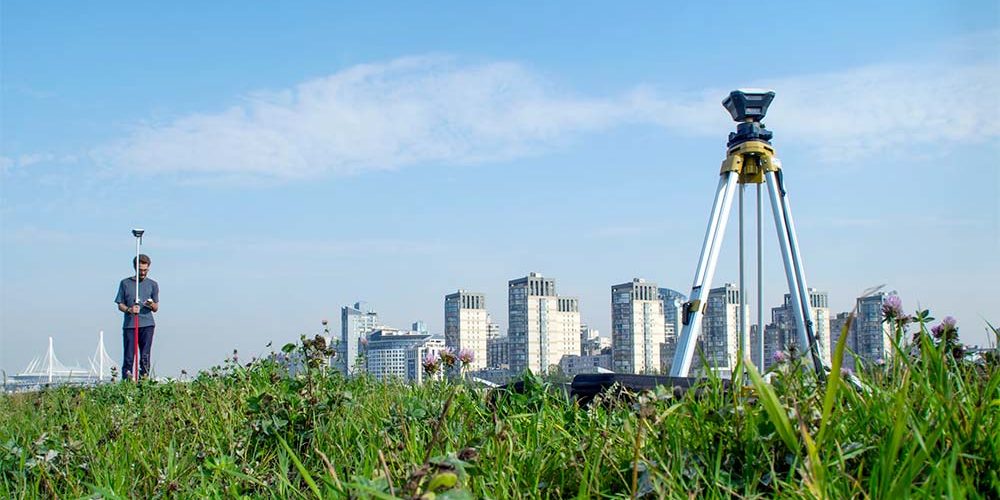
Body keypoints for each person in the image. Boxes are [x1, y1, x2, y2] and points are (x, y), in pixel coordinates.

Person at [115, 254, 159, 379]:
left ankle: (144, 381)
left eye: (146, 270)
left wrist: (151, 304)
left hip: (147, 324)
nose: (143, 273)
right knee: (129, 356)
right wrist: (129, 309)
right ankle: (127, 381)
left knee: (145, 356)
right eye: (141, 270)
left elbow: (156, 308)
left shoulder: (153, 284)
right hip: (130, 325)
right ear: (135, 267)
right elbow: (120, 305)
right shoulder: (125, 283)